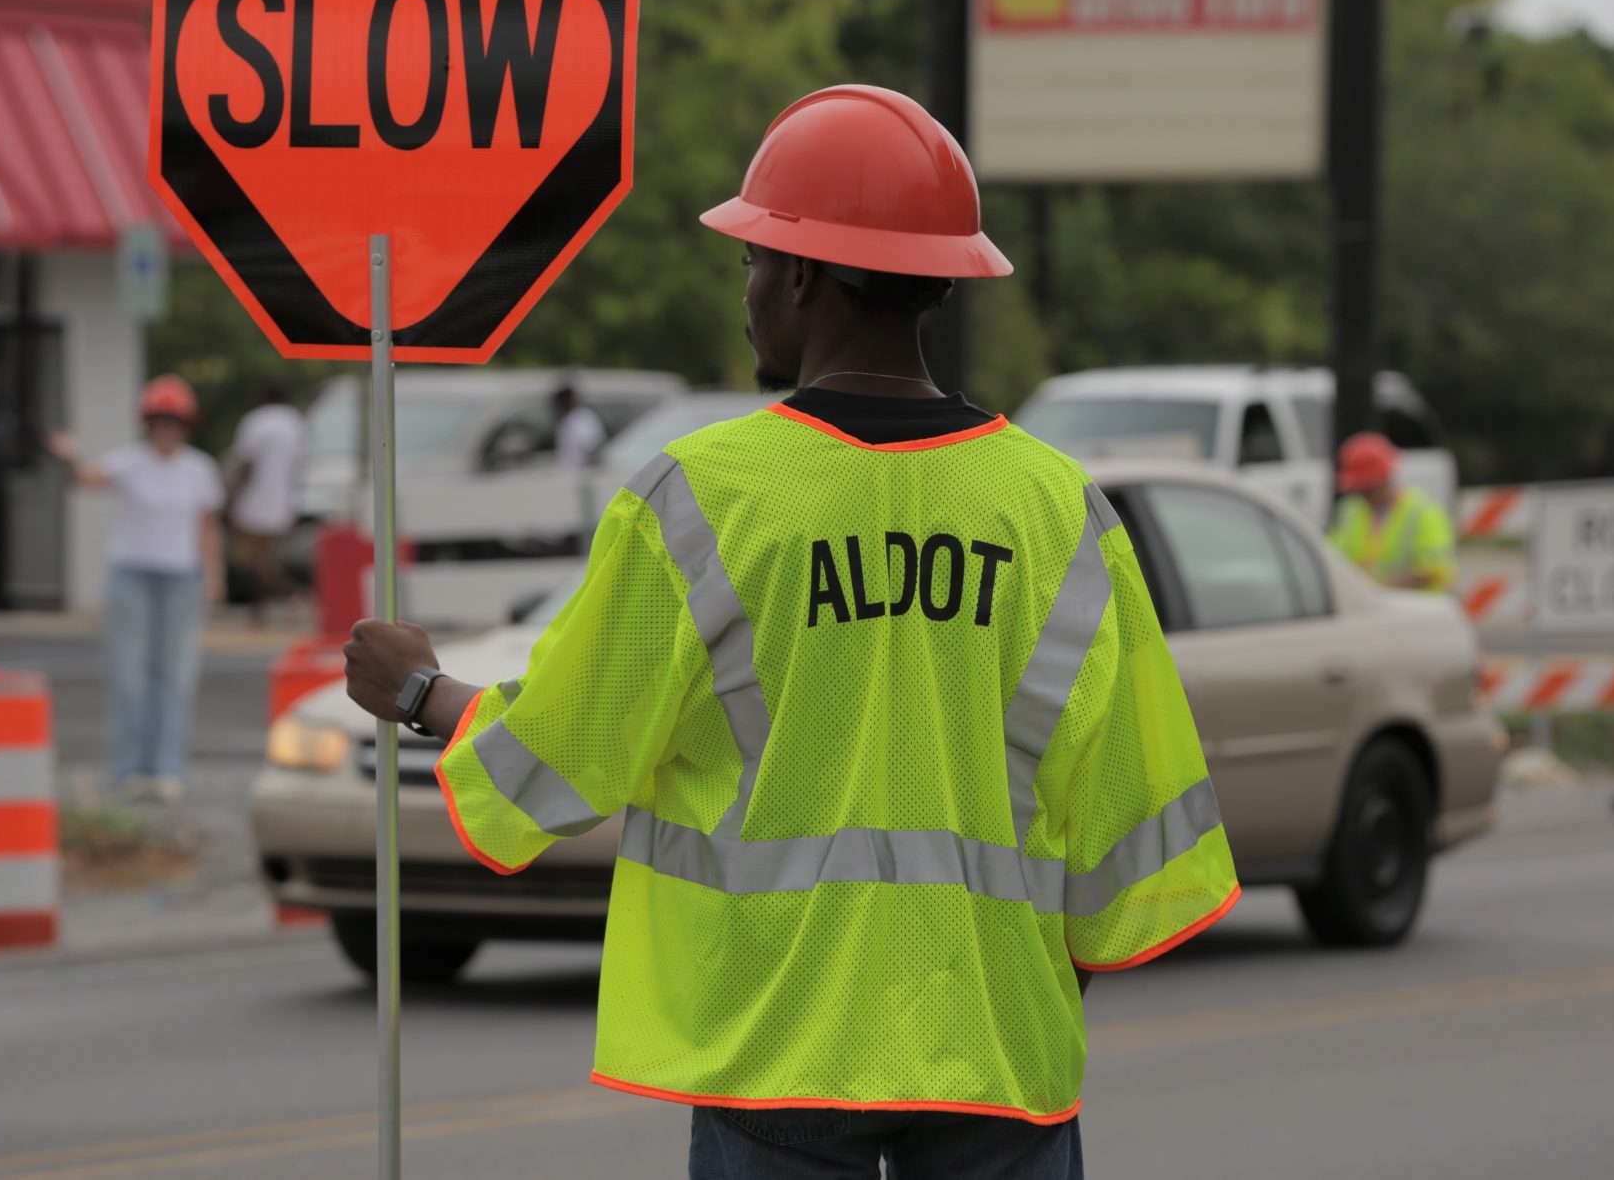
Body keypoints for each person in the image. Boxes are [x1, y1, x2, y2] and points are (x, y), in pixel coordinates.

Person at [344, 85, 1237, 1180]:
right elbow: (1131, 839)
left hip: (774, 1059)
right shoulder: (1059, 512)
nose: (749, 290)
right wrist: (1002, 1006)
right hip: (996, 1062)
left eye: (753, 261)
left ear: (806, 275)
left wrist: (415, 690)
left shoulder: (701, 500)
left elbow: (552, 762)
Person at [47, 375, 224, 803]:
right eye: (159, 420)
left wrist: (213, 577)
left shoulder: (199, 468)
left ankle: (166, 768)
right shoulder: (130, 462)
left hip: (181, 579)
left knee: (175, 676)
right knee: (129, 675)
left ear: (186, 425)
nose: (166, 428)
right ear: (147, 423)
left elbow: (207, 527)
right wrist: (71, 456)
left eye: (174, 420)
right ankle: (128, 768)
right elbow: (87, 478)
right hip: (132, 576)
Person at [1328, 431, 1458, 592]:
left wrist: (1378, 588)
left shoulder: (1424, 512)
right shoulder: (1350, 510)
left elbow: (1435, 570)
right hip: (1373, 607)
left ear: (1384, 478)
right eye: (1359, 489)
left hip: (1417, 608)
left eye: (1367, 488)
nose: (1363, 495)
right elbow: (1335, 558)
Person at [226, 380, 306, 622]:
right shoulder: (295, 422)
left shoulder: (256, 420)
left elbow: (246, 463)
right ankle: (259, 610)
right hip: (283, 503)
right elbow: (299, 464)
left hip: (254, 503)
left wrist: (232, 495)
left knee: (246, 561)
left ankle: (292, 593)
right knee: (264, 561)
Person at [552, 383, 607, 469]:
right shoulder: (567, 419)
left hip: (583, 471)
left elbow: (592, 445)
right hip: (569, 471)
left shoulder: (583, 418)